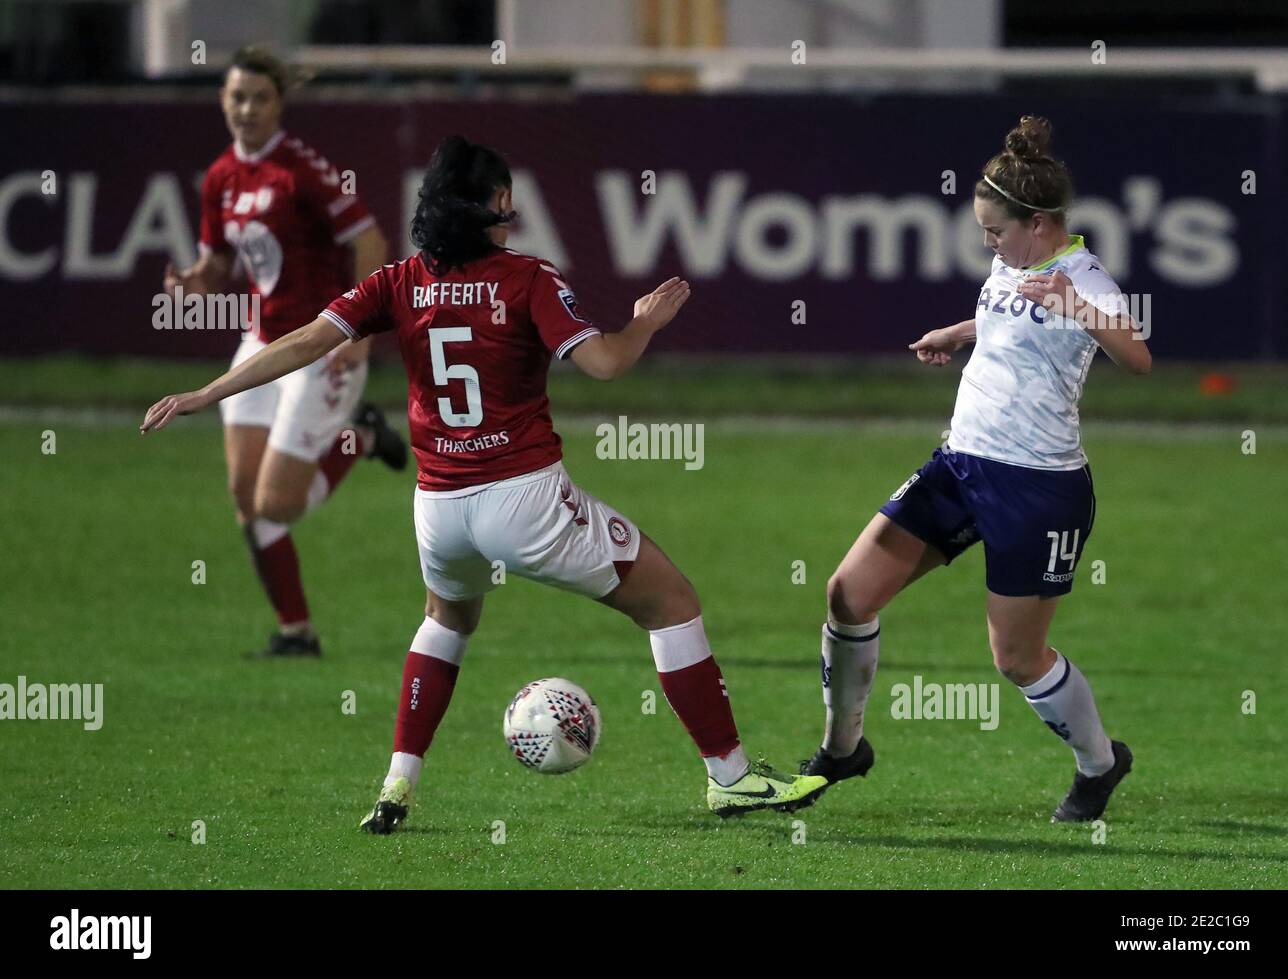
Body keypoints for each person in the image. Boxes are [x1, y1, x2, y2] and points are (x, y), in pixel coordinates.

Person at [142, 135, 828, 830]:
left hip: (438, 507)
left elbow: (304, 342)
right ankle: (732, 777)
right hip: (524, 498)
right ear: (497, 203)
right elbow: (607, 364)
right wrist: (644, 322)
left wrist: (207, 392)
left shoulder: (400, 282)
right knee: (673, 601)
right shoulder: (527, 277)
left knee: (446, 620)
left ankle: (396, 786)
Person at [801, 116, 1150, 823]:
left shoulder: (1081, 275)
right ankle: (843, 749)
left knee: (1018, 660)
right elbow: (1005, 312)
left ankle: (1099, 765)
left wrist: (1076, 304)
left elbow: (1137, 356)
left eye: (996, 232)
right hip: (959, 467)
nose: (988, 244)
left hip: (1038, 489)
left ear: (1041, 222)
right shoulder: (1013, 264)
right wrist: (959, 333)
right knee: (847, 594)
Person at [163, 46, 406, 658]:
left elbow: (371, 241)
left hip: (320, 346)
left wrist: (362, 330)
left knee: (279, 503)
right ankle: (296, 632)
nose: (245, 108)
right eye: (236, 96)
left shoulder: (300, 171)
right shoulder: (221, 176)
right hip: (261, 340)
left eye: (259, 98)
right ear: (223, 100)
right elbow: (221, 265)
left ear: (279, 105)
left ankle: (364, 437)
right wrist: (197, 280)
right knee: (247, 502)